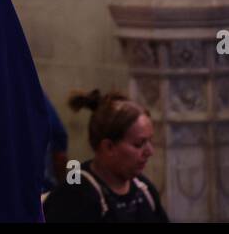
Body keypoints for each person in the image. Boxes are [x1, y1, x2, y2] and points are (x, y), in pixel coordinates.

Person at [42, 89, 168, 223]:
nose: (150, 151)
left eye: (150, 141)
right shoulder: (75, 195)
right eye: (138, 144)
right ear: (108, 147)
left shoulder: (144, 189)